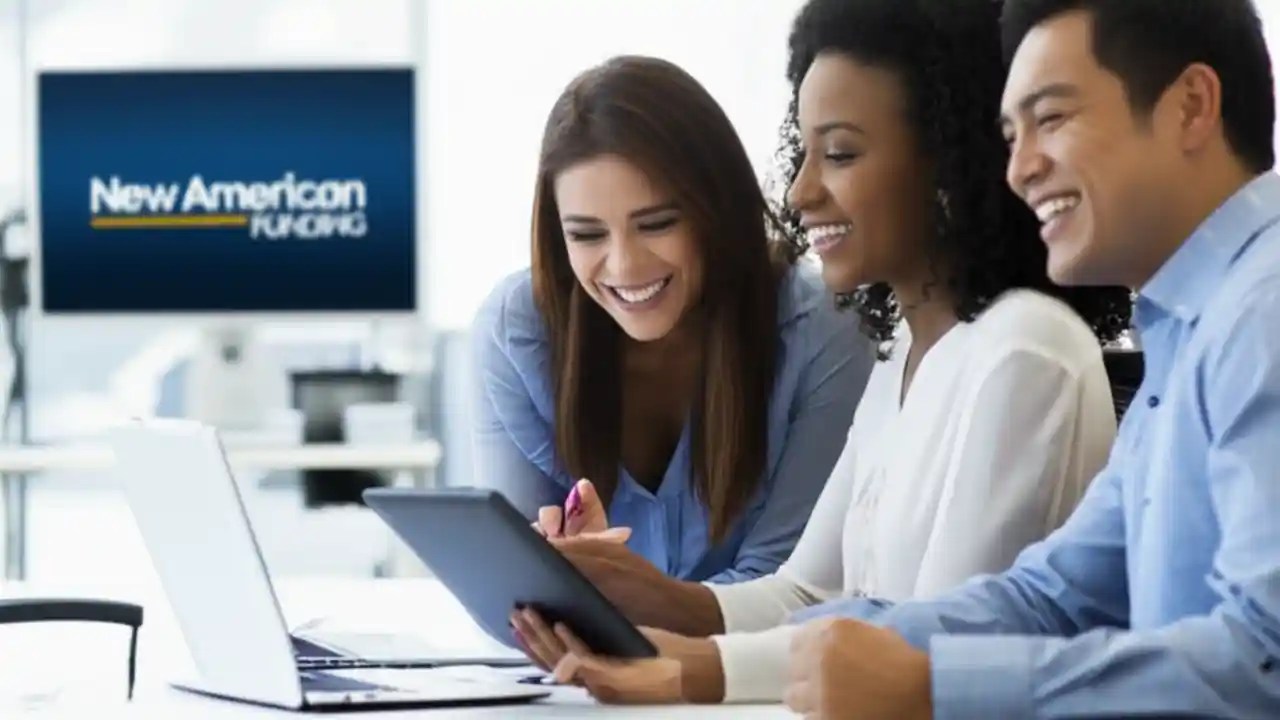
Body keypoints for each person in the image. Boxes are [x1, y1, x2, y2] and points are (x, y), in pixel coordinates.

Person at [514, 0, 1132, 701]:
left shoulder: (1025, 351)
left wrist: (693, 668)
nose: (802, 192)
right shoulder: (906, 349)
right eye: (803, 151)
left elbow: (924, 651)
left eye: (838, 154)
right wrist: (644, 601)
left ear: (948, 159)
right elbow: (811, 592)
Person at [776, 2, 1280, 719]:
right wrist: (730, 659)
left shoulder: (1263, 312)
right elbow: (1051, 598)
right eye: (1011, 135)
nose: (1017, 172)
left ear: (1191, 106)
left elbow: (1266, 661)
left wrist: (934, 688)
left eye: (1052, 119)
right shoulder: (1191, 327)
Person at [470, 55, 876, 586]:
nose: (624, 265)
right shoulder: (515, 333)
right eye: (586, 235)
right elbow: (509, 588)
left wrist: (612, 599)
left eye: (657, 224)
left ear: (718, 210)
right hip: (583, 668)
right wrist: (566, 586)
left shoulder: (823, 329)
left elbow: (792, 592)